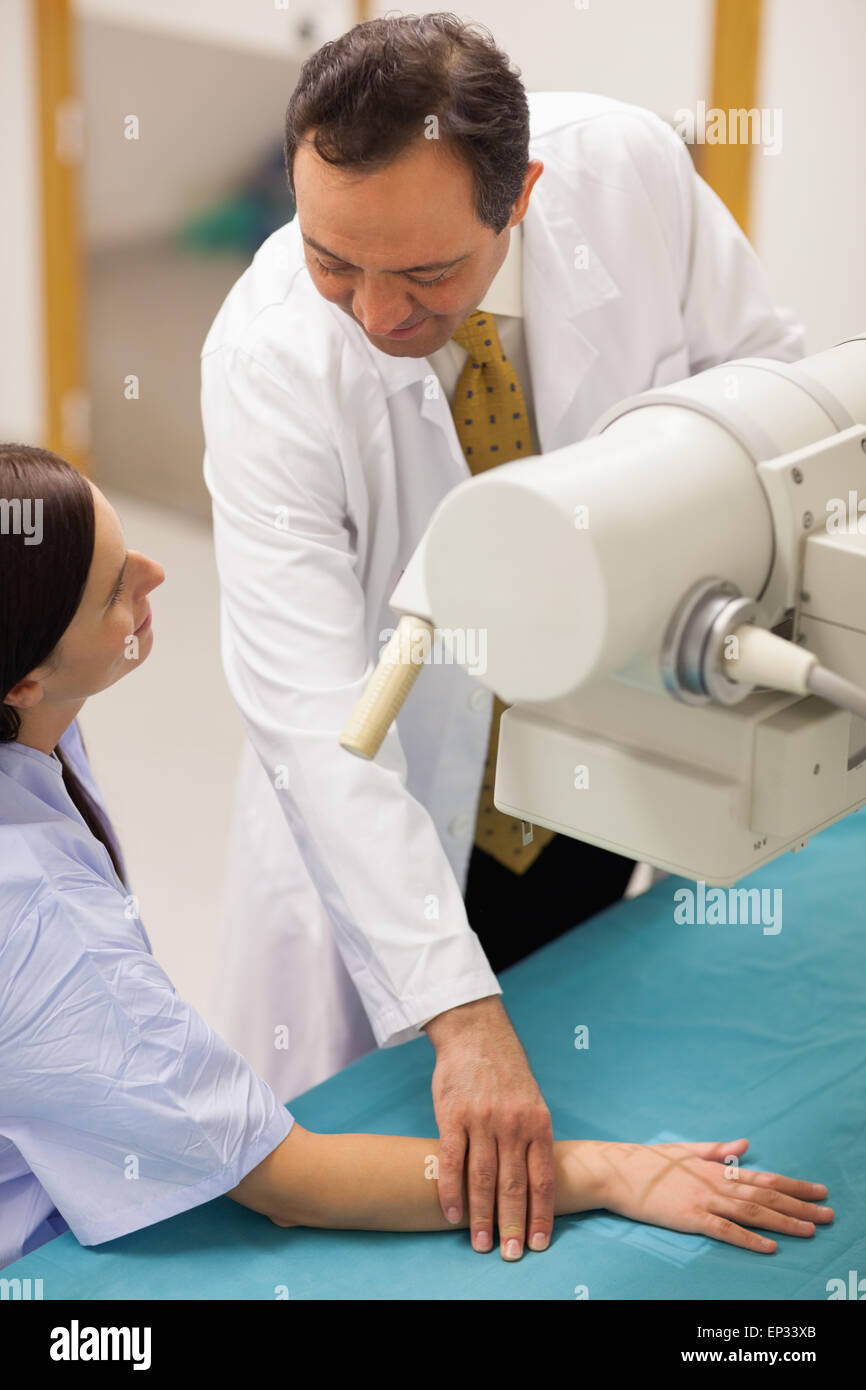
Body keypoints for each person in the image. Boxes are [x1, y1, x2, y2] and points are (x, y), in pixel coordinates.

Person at [200, 13, 806, 1252]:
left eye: (424, 276)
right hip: (401, 806)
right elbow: (321, 726)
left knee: (606, 1018)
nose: (372, 313)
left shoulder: (629, 175)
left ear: (519, 196)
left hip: (597, 743)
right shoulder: (270, 361)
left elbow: (763, 400)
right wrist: (461, 1021)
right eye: (330, 260)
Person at [0, 445, 833, 1270]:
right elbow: (285, 1181)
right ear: (25, 681)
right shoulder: (47, 924)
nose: (157, 572)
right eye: (115, 589)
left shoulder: (34, 723)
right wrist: (609, 1171)